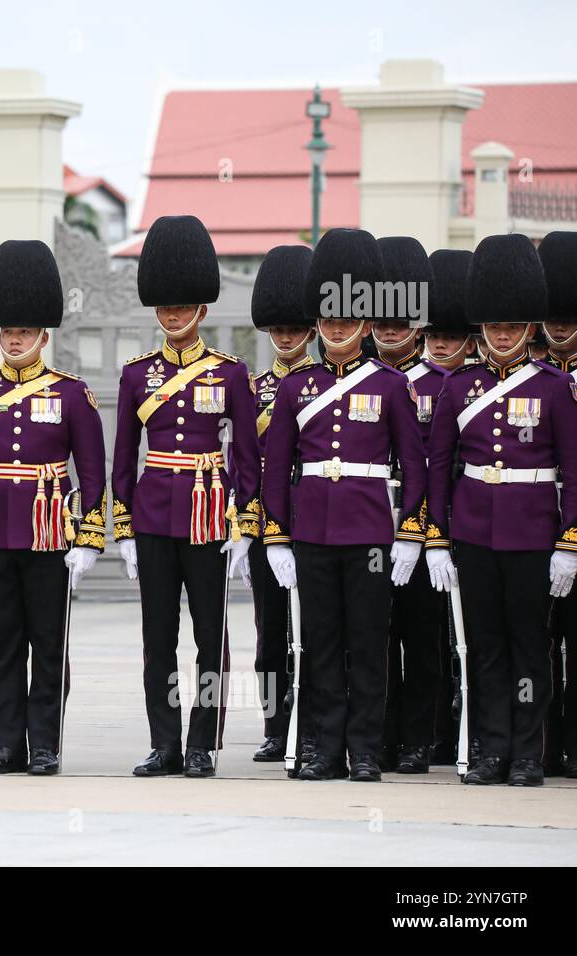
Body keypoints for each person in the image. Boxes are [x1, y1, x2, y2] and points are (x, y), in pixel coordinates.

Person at [262, 228, 427, 783]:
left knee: (369, 644)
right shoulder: (296, 387)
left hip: (370, 535)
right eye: (328, 319)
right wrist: (277, 536)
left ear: (365, 321)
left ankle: (365, 750)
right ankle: (325, 749)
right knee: (321, 645)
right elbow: (276, 470)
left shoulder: (391, 385)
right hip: (312, 533)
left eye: (347, 318)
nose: (336, 328)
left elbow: (415, 467)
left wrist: (409, 533)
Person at [0, 240, 106, 776]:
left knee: (48, 644)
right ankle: (6, 744)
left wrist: (89, 538)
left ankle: (44, 745)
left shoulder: (71, 394)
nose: (14, 339)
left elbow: (93, 472)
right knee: (2, 646)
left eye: (24, 331)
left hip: (48, 536)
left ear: (43, 335)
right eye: (7, 331)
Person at [424, 233, 577, 786]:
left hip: (533, 533)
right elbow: (438, 468)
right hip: (473, 532)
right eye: (494, 325)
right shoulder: (458, 386)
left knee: (530, 647)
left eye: (513, 326)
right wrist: (437, 537)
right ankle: (490, 749)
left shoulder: (556, 388)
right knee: (484, 647)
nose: (503, 334)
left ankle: (528, 753)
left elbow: (573, 470)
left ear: (530, 328)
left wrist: (569, 541)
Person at [113, 215, 260, 778]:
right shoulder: (136, 376)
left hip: (209, 518)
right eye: (166, 306)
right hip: (153, 517)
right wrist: (123, 526)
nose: (173, 315)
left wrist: (244, 523)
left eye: (182, 306)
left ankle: (202, 742)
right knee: (158, 639)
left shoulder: (230, 374)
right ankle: (164, 743)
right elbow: (123, 459)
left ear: (201, 308)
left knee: (209, 637)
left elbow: (246, 456)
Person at [371, 236, 443, 774]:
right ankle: (379, 735)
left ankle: (420, 738)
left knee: (422, 637)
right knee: (372, 638)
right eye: (383, 321)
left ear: (418, 324)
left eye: (401, 322)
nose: (391, 330)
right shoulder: (360, 379)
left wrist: (423, 532)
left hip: (422, 524)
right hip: (368, 520)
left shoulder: (444, 384)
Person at [246, 245, 316, 764]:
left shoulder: (325, 384)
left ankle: (310, 724)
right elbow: (242, 464)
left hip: (313, 519)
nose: (287, 338)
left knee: (314, 630)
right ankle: (275, 727)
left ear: (310, 331)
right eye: (279, 330)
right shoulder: (253, 389)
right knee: (270, 633)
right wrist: (245, 526)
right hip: (266, 525)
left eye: (295, 329)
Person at [422, 249, 478, 768]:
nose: (440, 343)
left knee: (471, 635)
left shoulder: (478, 385)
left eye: (450, 335)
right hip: (428, 521)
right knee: (431, 634)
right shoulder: (411, 384)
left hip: (478, 519)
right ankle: (435, 731)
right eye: (434, 334)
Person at [535, 230, 577, 779]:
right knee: (536, 642)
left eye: (569, 317)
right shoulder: (535, 376)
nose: (561, 327)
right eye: (554, 316)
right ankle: (542, 744)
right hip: (535, 521)